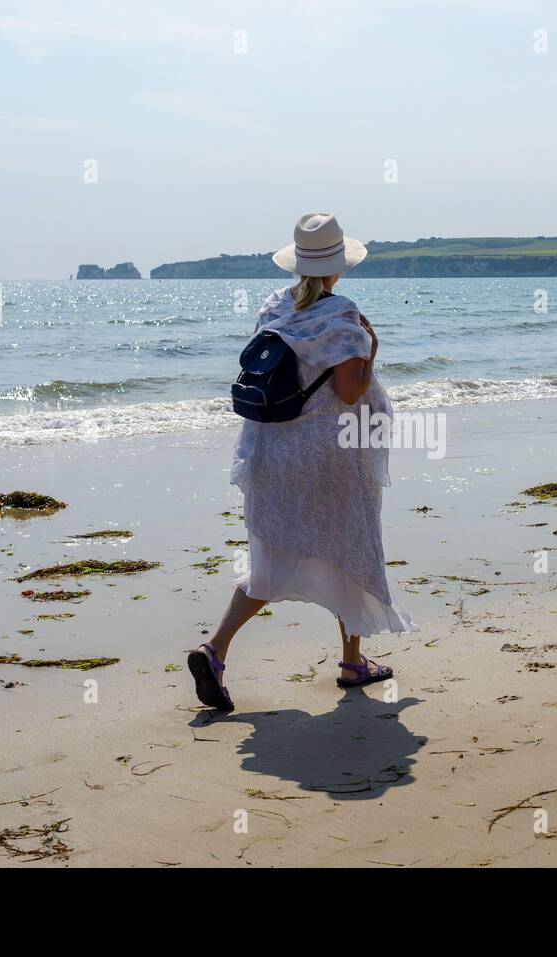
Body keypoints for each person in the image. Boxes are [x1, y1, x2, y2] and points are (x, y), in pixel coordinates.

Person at [187, 213, 417, 712]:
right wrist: (371, 348)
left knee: (272, 561)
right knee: (350, 545)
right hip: (328, 454)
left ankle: (216, 649)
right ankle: (352, 663)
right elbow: (350, 391)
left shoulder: (274, 305)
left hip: (270, 449)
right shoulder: (342, 313)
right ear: (338, 266)